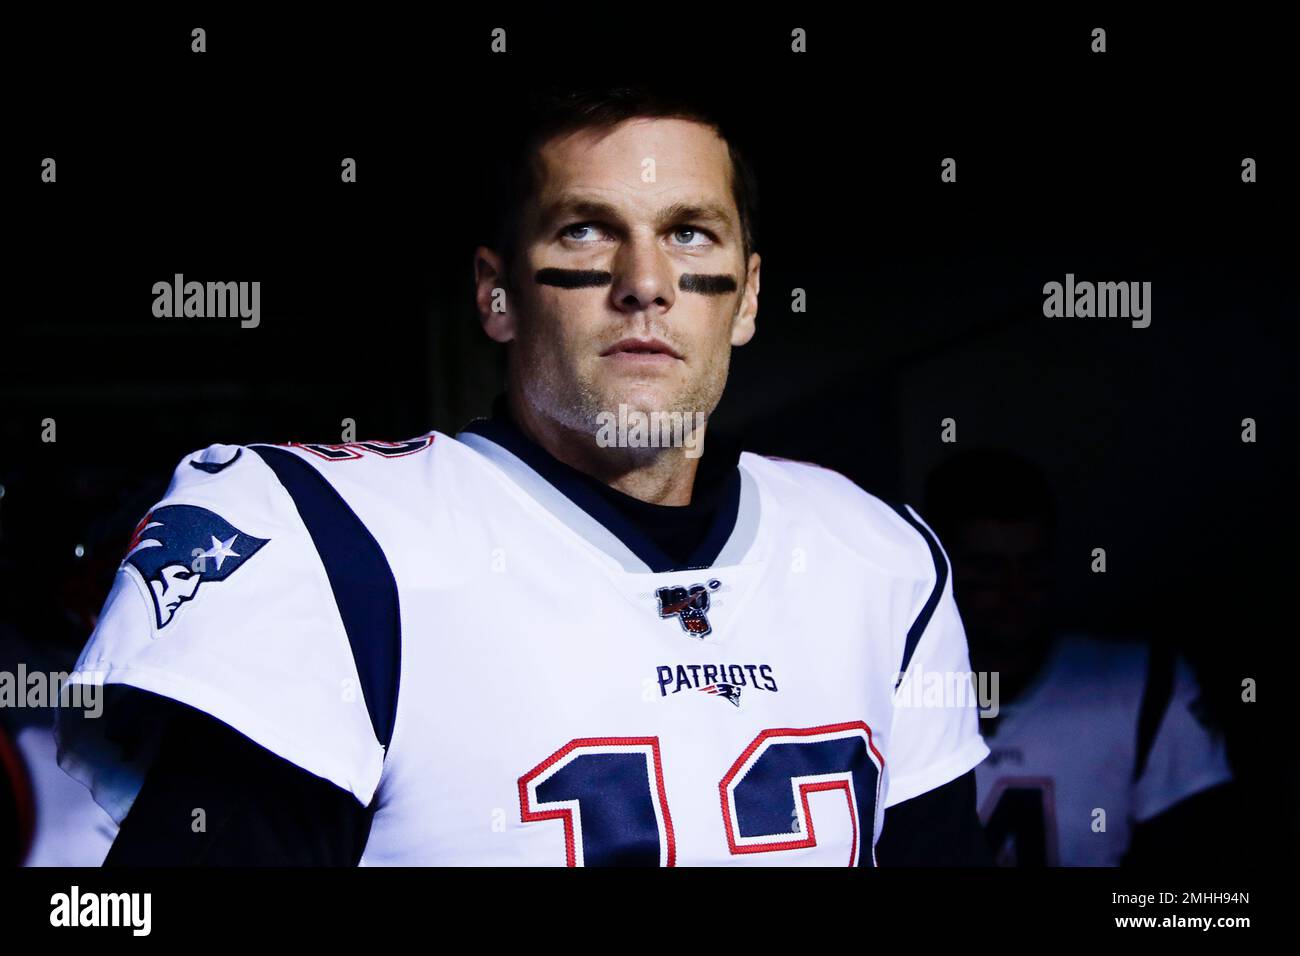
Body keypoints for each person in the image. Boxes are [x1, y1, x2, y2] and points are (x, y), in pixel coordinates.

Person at [57, 86, 988, 866]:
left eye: (690, 234)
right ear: (496, 296)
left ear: (745, 298)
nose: (645, 281)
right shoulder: (335, 545)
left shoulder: (879, 559)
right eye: (588, 231)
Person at [923, 448, 1234, 866]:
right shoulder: (885, 694)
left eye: (1031, 566)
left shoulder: (1140, 689)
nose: (1015, 592)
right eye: (988, 569)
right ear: (938, 567)